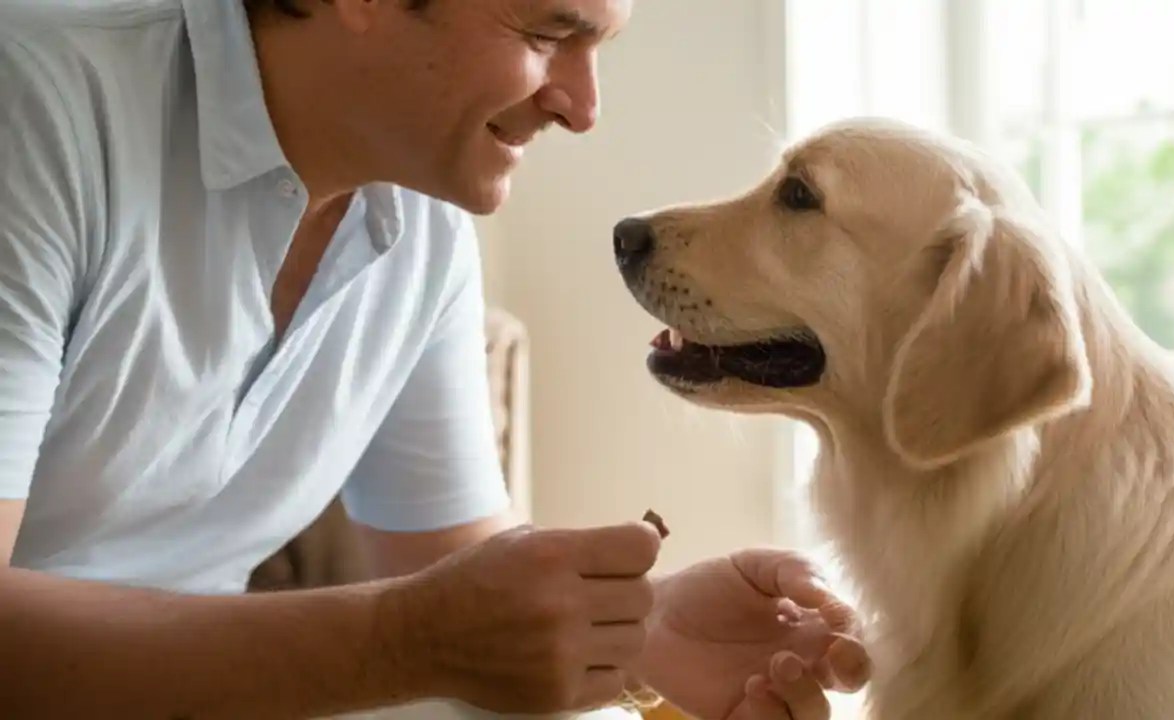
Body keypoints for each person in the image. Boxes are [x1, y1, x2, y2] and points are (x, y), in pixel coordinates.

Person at [0, 0, 871, 717]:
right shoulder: (35, 105)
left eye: (597, 46)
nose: (582, 106)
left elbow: (453, 577)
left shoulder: (417, 215)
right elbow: (426, 625)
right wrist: (401, 642)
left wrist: (639, 633)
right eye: (545, 35)